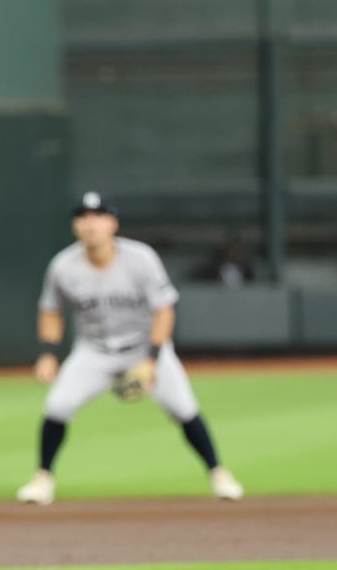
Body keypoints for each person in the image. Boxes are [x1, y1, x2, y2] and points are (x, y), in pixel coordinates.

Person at [15, 191, 244, 506]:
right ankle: (42, 479)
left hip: (143, 347)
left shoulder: (140, 258)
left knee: (183, 409)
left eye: (98, 217)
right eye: (83, 217)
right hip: (94, 351)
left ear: (113, 223)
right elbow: (50, 310)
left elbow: (164, 310)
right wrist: (48, 354)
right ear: (75, 226)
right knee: (58, 406)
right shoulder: (63, 266)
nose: (90, 224)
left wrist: (152, 360)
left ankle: (219, 473)